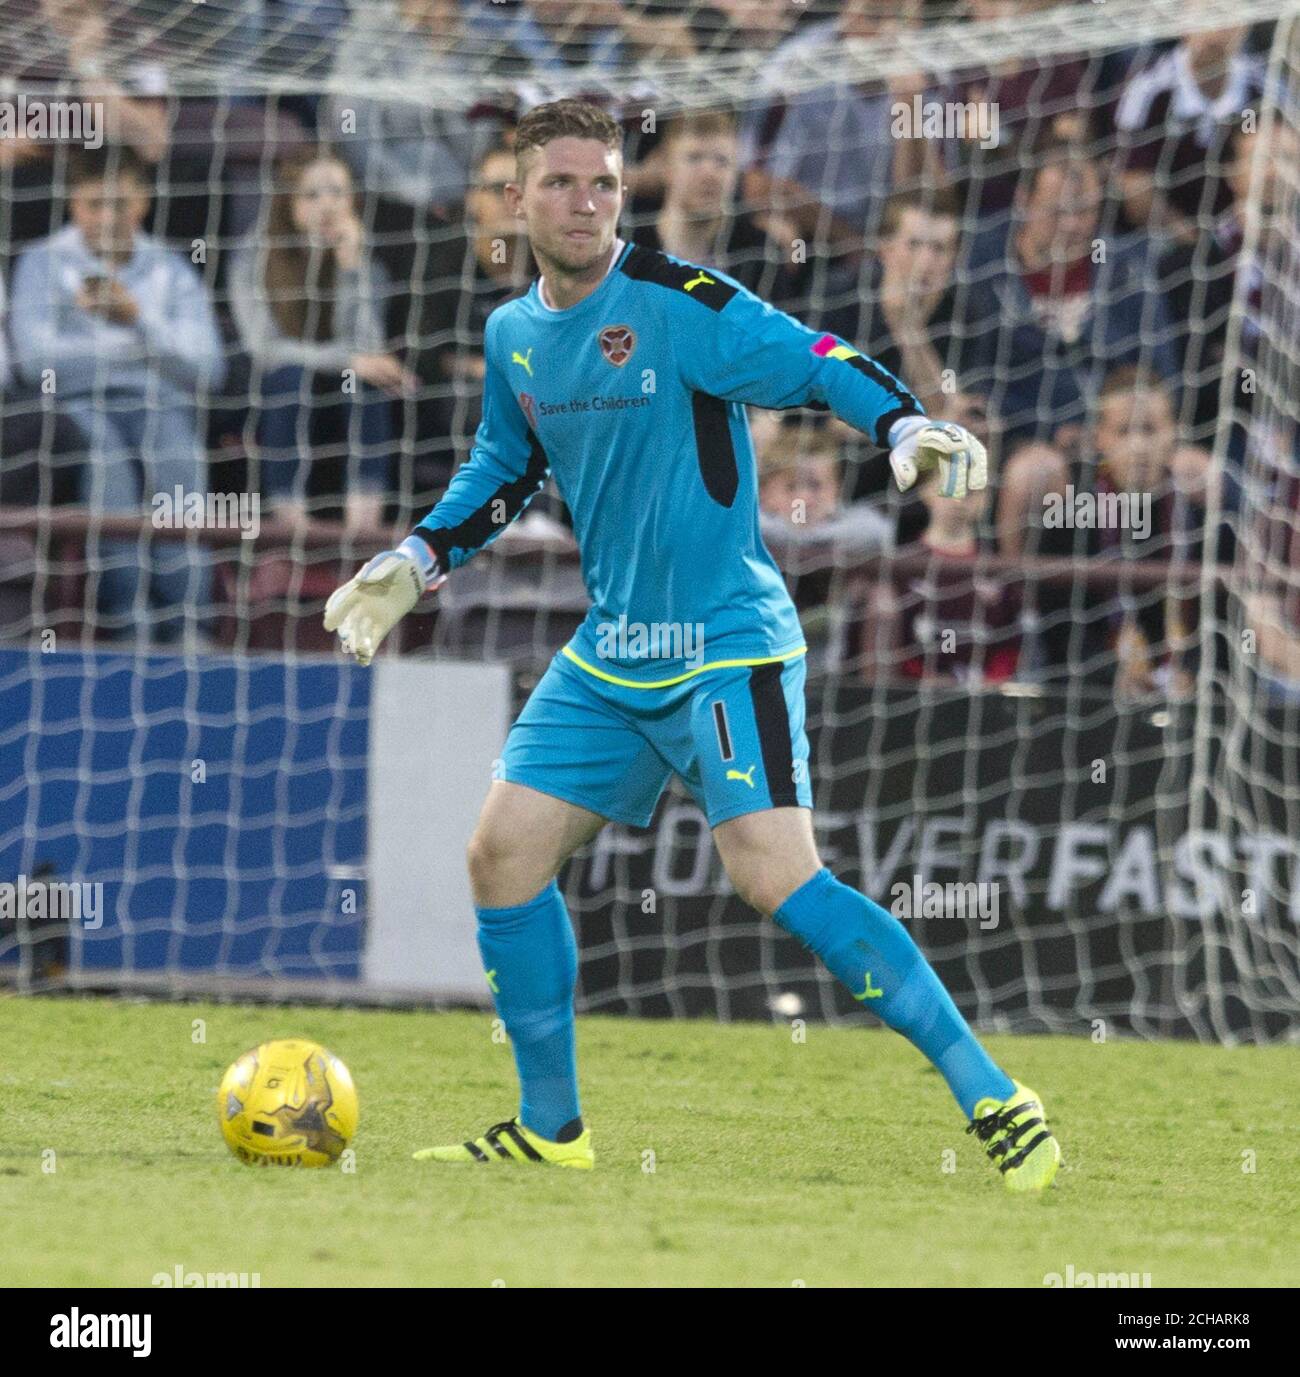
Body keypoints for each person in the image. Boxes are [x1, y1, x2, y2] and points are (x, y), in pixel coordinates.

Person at [323, 99, 1061, 1190]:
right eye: (562, 182)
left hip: (724, 640)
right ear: (516, 198)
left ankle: (995, 1094)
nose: (586, 202)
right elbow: (504, 466)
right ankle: (550, 1128)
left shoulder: (680, 301)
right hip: (614, 650)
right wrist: (414, 560)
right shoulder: (512, 334)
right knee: (501, 853)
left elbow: (813, 355)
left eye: (605, 183)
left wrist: (902, 421)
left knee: (776, 876)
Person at [9, 144, 225, 643]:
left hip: (159, 404)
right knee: (110, 476)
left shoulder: (171, 269)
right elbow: (35, 363)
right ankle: (129, 627)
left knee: (178, 470)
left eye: (120, 204)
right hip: (75, 407)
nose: (107, 218)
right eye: (94, 205)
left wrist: (137, 319)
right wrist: (141, 349)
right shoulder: (41, 263)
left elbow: (209, 369)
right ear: (73, 203)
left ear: (143, 203)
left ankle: (190, 629)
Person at [230, 145, 415, 529]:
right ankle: (290, 523)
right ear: (289, 203)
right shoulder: (252, 258)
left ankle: (364, 524)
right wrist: (348, 360)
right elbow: (265, 350)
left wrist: (351, 267)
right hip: (271, 386)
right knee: (292, 378)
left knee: (366, 382)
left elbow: (370, 349)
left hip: (340, 390)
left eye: (337, 193)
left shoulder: (366, 262)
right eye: (312, 195)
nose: (327, 206)